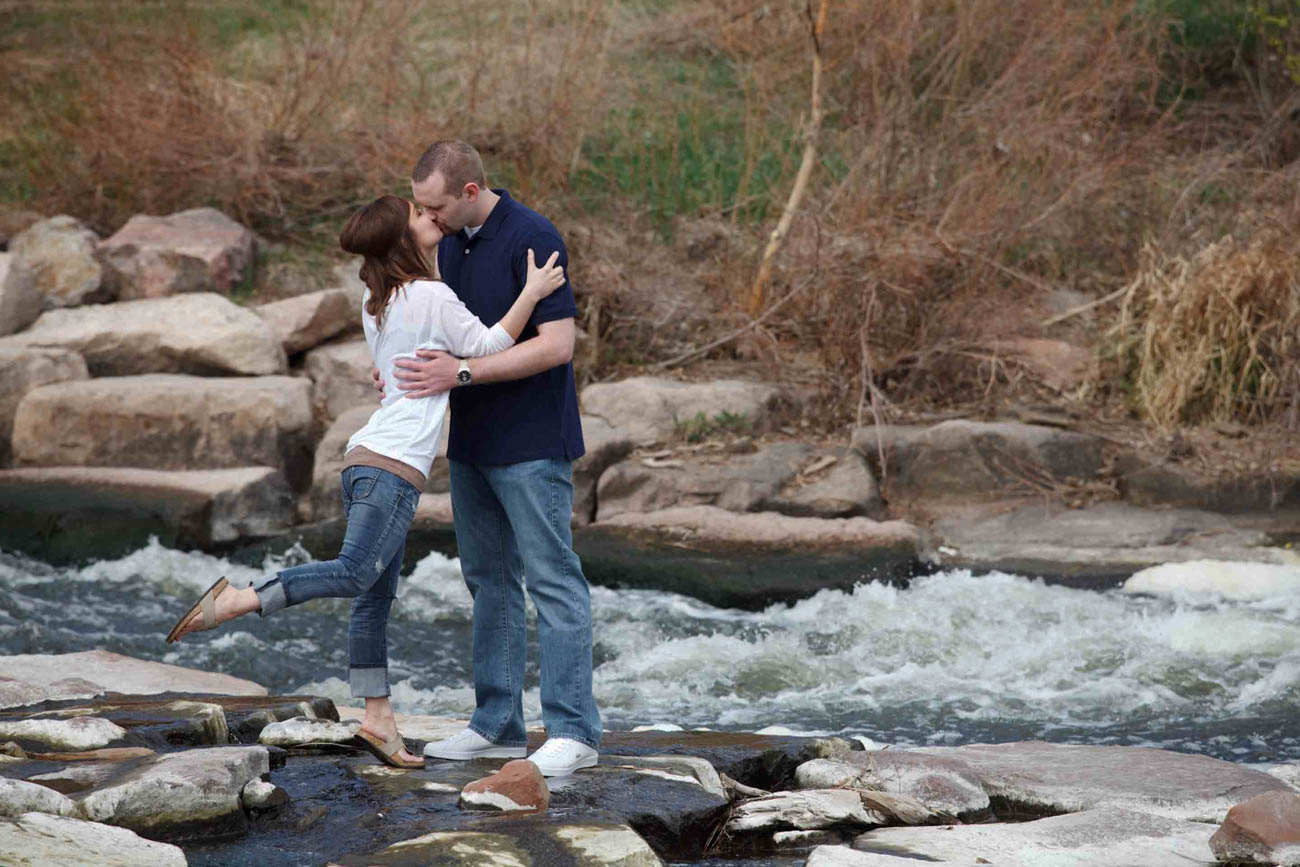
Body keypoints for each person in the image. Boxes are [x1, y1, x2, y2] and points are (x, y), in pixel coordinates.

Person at [164, 193, 566, 770]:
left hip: (365, 458)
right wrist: (531, 293)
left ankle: (378, 720)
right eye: (420, 215)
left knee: (374, 597)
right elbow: (485, 347)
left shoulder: (374, 300)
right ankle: (240, 599)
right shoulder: (429, 294)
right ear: (403, 240)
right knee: (356, 575)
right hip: (392, 466)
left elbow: (391, 374)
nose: (432, 217)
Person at [383, 139, 602, 777]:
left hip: (533, 443)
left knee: (554, 581)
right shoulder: (445, 243)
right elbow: (440, 332)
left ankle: (574, 731)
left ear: (471, 193)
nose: (427, 218)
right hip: (472, 442)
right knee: (487, 583)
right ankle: (497, 725)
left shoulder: (534, 236)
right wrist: (411, 373)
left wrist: (463, 374)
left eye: (436, 205)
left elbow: (557, 346)